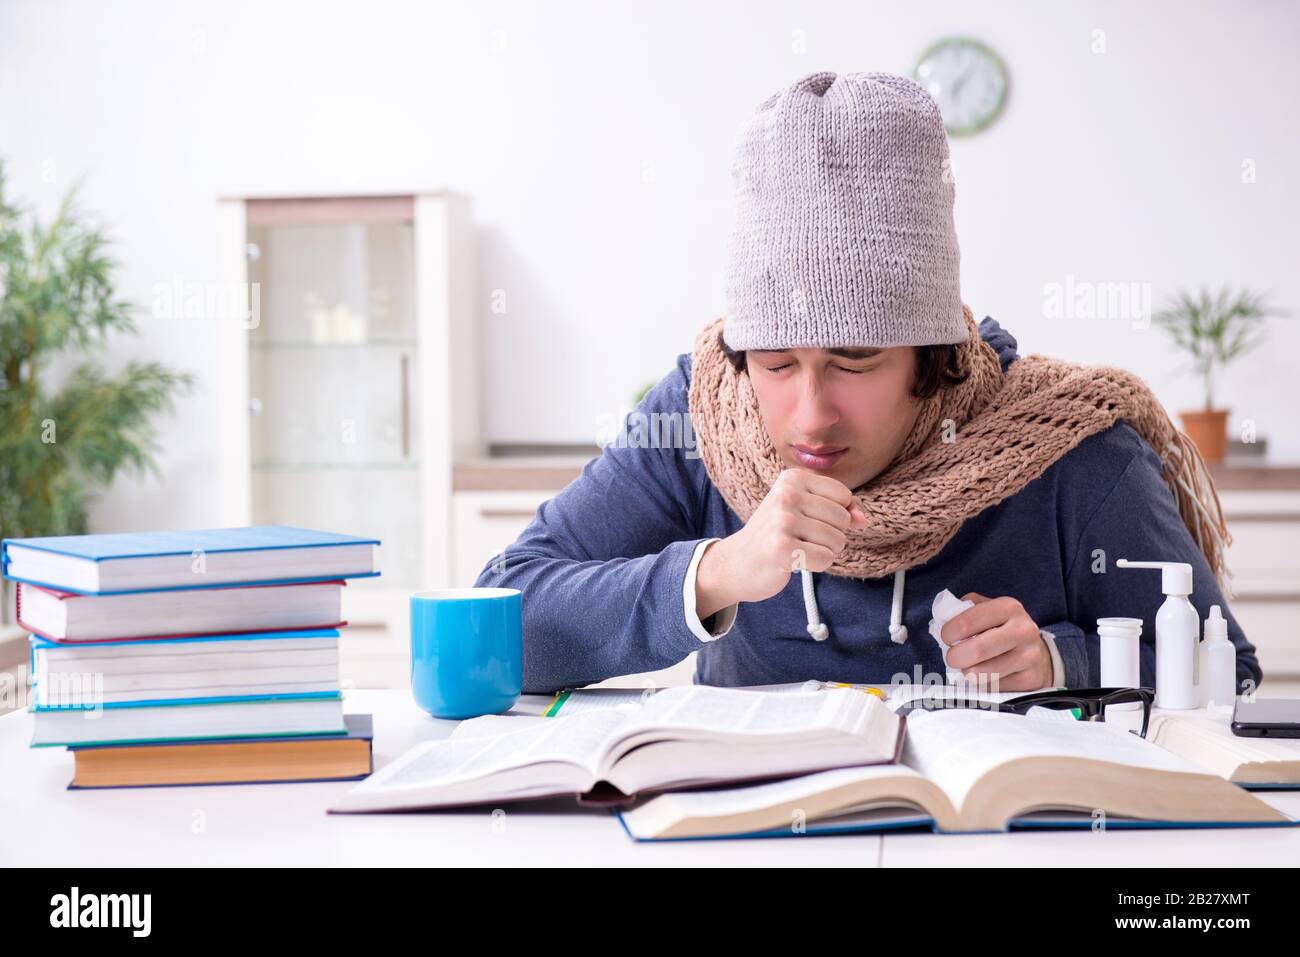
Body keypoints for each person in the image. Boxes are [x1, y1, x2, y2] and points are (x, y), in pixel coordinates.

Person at [475, 71, 1261, 696]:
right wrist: (716, 571)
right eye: (778, 364)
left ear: (932, 355)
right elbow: (500, 623)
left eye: (853, 362)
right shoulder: (701, 417)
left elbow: (1229, 670)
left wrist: (1066, 663)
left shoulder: (1067, 443)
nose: (809, 415)